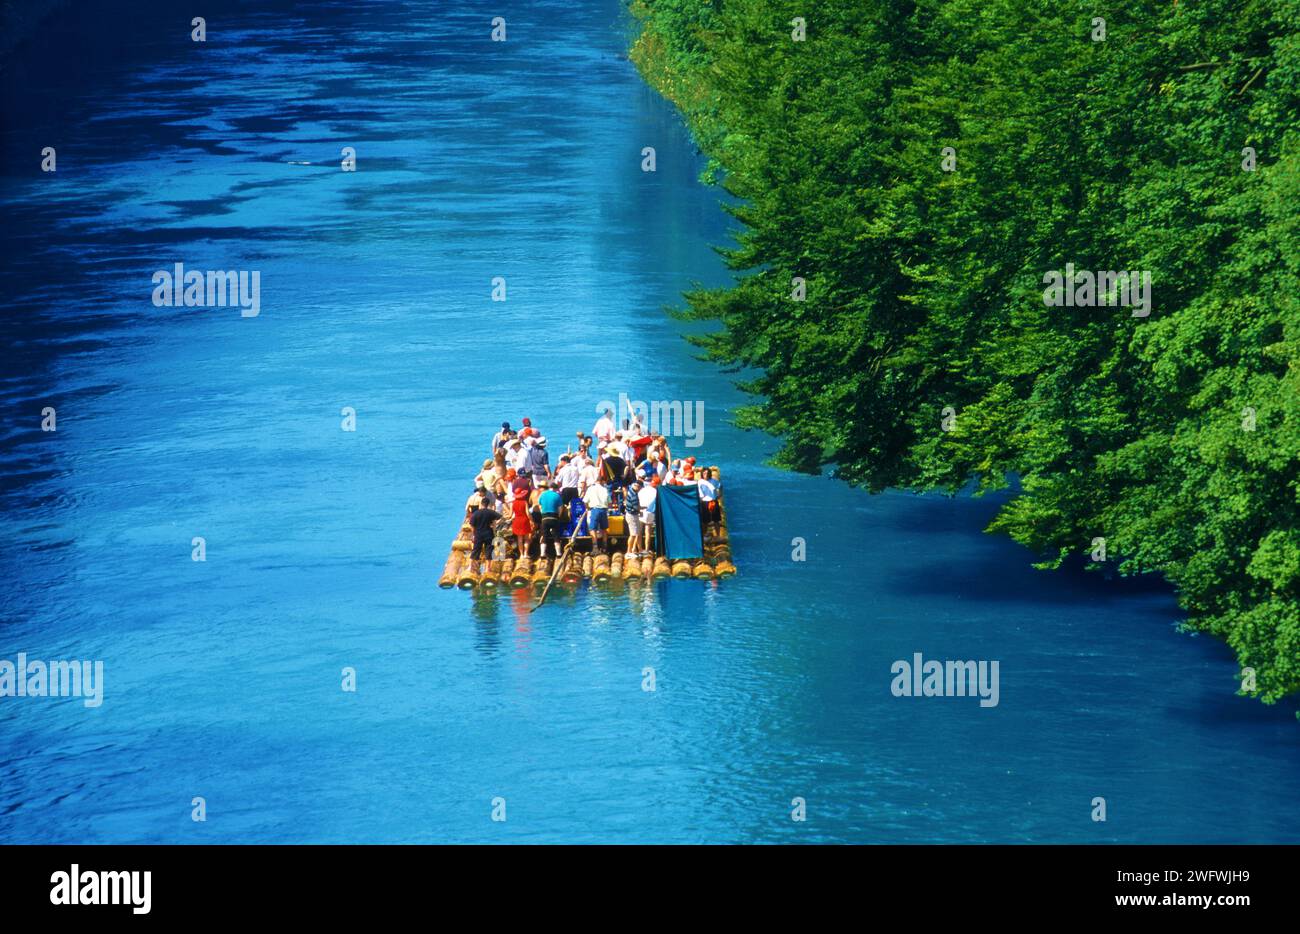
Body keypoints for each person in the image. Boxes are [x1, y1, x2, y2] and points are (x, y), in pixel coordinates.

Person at [468, 500, 502, 567]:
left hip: (478, 534)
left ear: (481, 504)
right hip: (488, 533)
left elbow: (471, 524)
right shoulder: (491, 512)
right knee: (489, 551)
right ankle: (487, 569)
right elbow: (501, 517)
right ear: (488, 505)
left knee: (476, 550)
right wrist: (495, 524)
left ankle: (470, 567)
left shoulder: (476, 513)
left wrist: (473, 533)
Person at [537, 479, 565, 560]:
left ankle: (542, 554)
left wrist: (543, 514)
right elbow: (560, 508)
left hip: (545, 517)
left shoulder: (542, 495)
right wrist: (558, 516)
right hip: (554, 517)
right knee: (556, 535)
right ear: (555, 489)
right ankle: (559, 554)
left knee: (544, 535)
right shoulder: (557, 496)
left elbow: (540, 506)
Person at [584, 479, 610, 554]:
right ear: (602, 481)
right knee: (604, 529)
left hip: (594, 510)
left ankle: (595, 548)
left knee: (592, 529)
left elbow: (585, 501)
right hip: (603, 510)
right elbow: (609, 502)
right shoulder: (605, 489)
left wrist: (587, 508)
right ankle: (604, 548)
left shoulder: (590, 489)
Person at [637, 477, 658, 556]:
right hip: (650, 511)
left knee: (638, 531)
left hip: (641, 510)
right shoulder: (655, 491)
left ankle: (638, 549)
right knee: (648, 531)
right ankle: (646, 549)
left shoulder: (641, 490)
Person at [696, 467, 720, 534]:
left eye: (707, 473)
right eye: (704, 473)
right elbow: (700, 494)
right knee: (705, 521)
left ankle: (718, 535)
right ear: (702, 474)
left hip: (713, 501)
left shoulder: (714, 481)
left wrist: (719, 495)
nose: (705, 474)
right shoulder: (700, 482)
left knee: (716, 520)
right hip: (704, 502)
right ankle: (704, 535)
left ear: (709, 474)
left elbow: (720, 486)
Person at [510, 488, 533, 558]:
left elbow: (511, 514)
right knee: (527, 538)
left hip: (517, 520)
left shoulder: (512, 503)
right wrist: (531, 520)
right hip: (524, 520)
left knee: (519, 539)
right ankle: (526, 554)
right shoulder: (524, 502)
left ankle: (521, 554)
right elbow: (528, 514)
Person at [623, 479, 643, 557]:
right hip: (632, 516)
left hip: (631, 514)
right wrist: (641, 510)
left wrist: (641, 508)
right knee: (633, 534)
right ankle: (628, 552)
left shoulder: (631, 491)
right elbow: (635, 507)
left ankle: (635, 550)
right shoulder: (634, 495)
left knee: (636, 533)